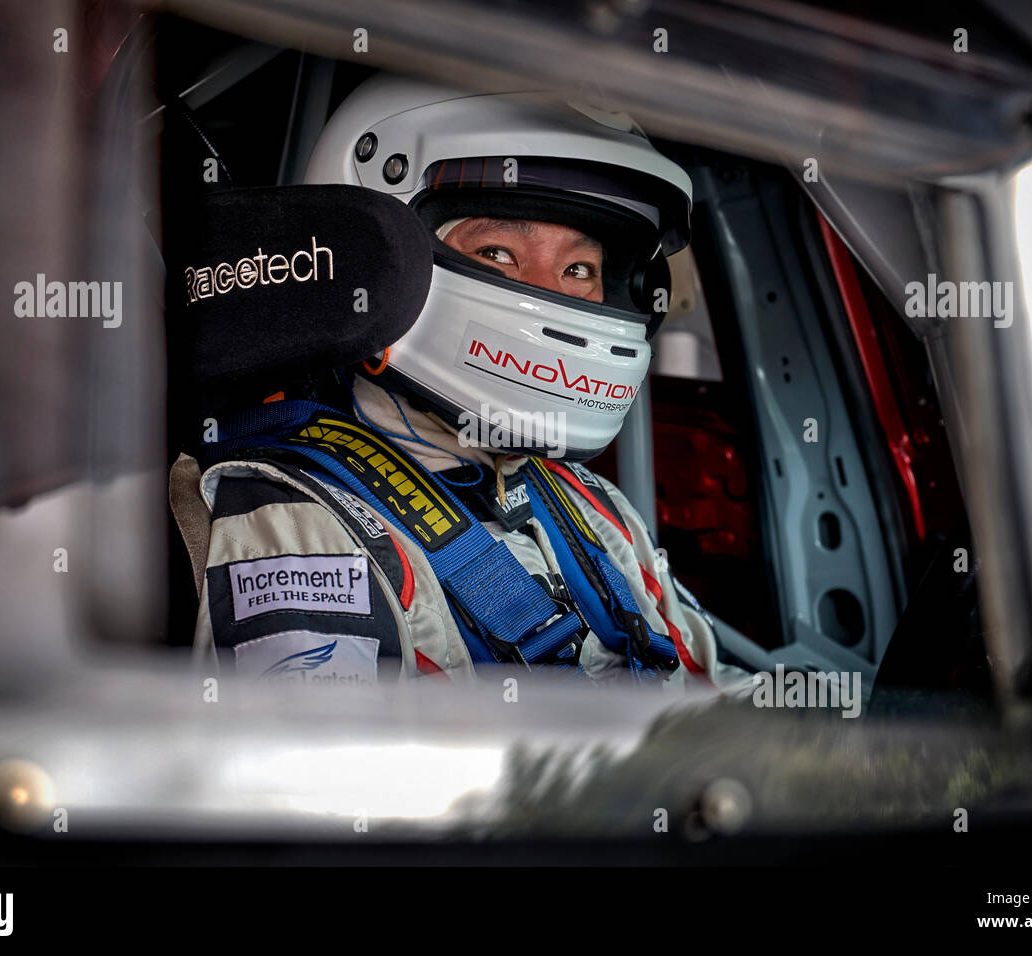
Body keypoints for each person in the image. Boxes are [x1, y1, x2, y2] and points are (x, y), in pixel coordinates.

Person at [175, 75, 754, 695]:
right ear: (377, 262)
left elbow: (709, 692)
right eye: (500, 252)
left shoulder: (593, 506)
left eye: (579, 268)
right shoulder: (295, 521)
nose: (558, 296)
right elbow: (326, 785)